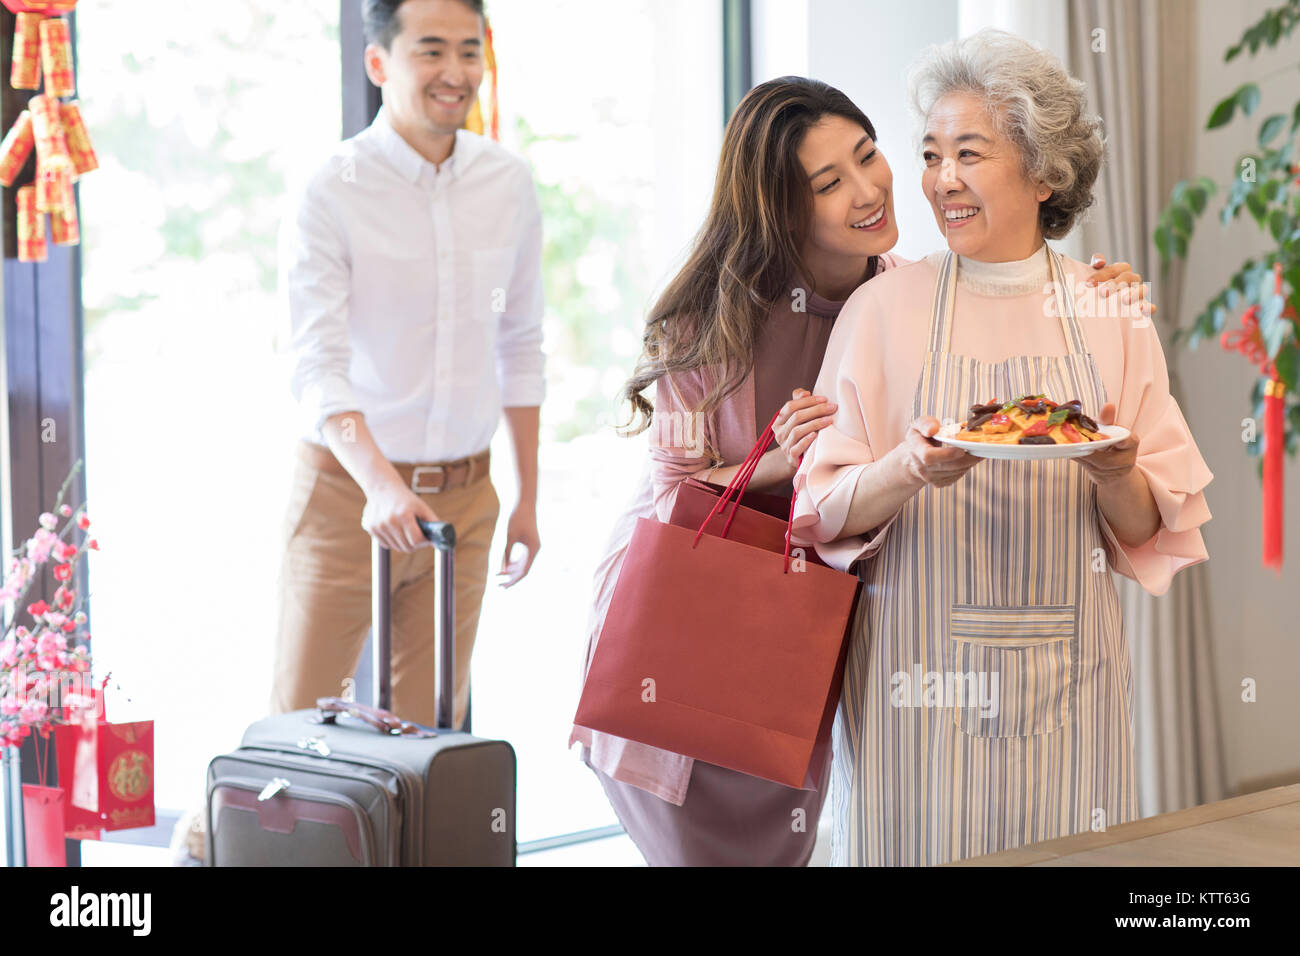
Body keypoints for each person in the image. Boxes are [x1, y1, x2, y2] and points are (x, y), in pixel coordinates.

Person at [570, 75, 1149, 866]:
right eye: (829, 182)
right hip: (689, 613)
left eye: (870, 156)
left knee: (788, 841)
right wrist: (773, 463)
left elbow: (1006, 291)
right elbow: (669, 492)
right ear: (782, 206)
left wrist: (1098, 290)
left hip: (799, 625)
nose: (869, 189)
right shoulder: (701, 321)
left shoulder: (896, 296)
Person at [791, 29, 1213, 866]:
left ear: (1045, 171)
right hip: (915, 686)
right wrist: (910, 466)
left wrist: (1119, 473)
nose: (940, 179)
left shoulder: (1111, 309)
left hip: (1070, 681)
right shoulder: (880, 311)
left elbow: (1141, 529)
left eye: (970, 154)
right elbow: (820, 510)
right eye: (931, 153)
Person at [270, 0, 543, 732]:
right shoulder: (331, 187)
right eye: (431, 51)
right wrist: (382, 486)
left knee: (427, 734)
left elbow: (519, 344)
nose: (455, 73)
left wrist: (528, 498)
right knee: (299, 723)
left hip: (465, 501)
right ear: (379, 63)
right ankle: (213, 844)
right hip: (343, 497)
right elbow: (317, 365)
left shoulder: (508, 183)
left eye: (468, 50)